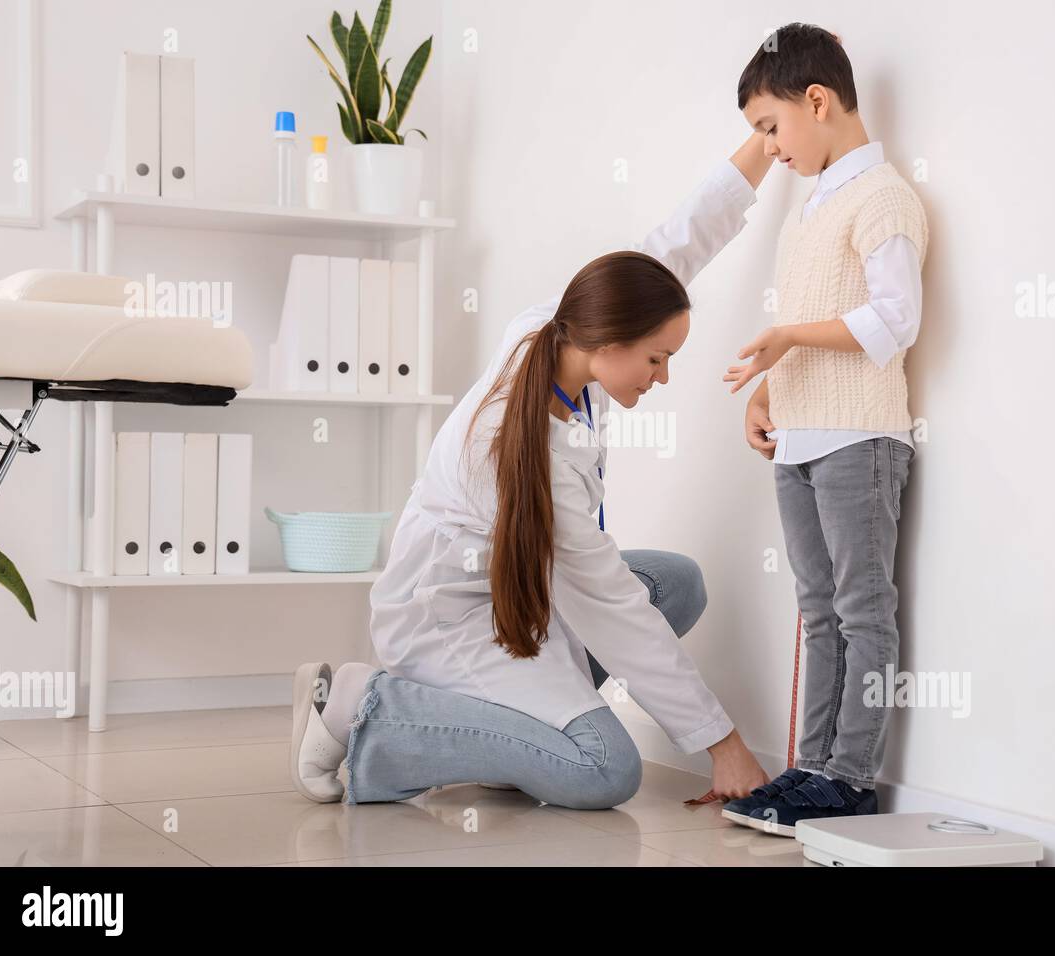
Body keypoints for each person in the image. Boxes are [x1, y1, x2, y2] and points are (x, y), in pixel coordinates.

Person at [291, 134, 775, 810]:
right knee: (606, 770)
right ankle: (365, 703)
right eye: (657, 359)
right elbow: (608, 604)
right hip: (450, 617)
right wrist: (722, 742)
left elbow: (671, 249)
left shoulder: (562, 329)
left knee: (676, 583)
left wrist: (759, 146)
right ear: (610, 344)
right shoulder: (523, 455)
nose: (663, 377)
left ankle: (509, 734)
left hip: (518, 590)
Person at [720, 23, 929, 835]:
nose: (768, 147)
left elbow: (894, 319)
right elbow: (814, 318)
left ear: (818, 100)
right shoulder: (811, 207)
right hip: (803, 435)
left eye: (771, 126)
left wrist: (787, 342)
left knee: (860, 606)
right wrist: (772, 385)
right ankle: (808, 769)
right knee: (818, 610)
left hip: (860, 437)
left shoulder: (885, 197)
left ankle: (851, 777)